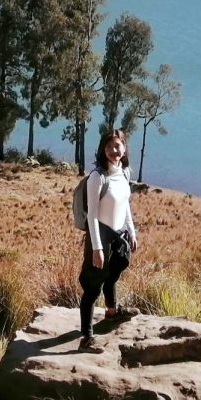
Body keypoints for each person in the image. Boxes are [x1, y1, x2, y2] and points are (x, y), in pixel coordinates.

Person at [78, 128, 139, 352]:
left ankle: (112, 311)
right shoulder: (97, 177)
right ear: (103, 150)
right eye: (110, 147)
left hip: (118, 235)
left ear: (124, 148)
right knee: (92, 288)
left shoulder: (124, 173)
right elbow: (92, 215)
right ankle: (86, 337)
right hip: (100, 237)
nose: (114, 150)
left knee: (113, 275)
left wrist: (132, 232)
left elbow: (125, 205)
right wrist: (96, 248)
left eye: (118, 146)